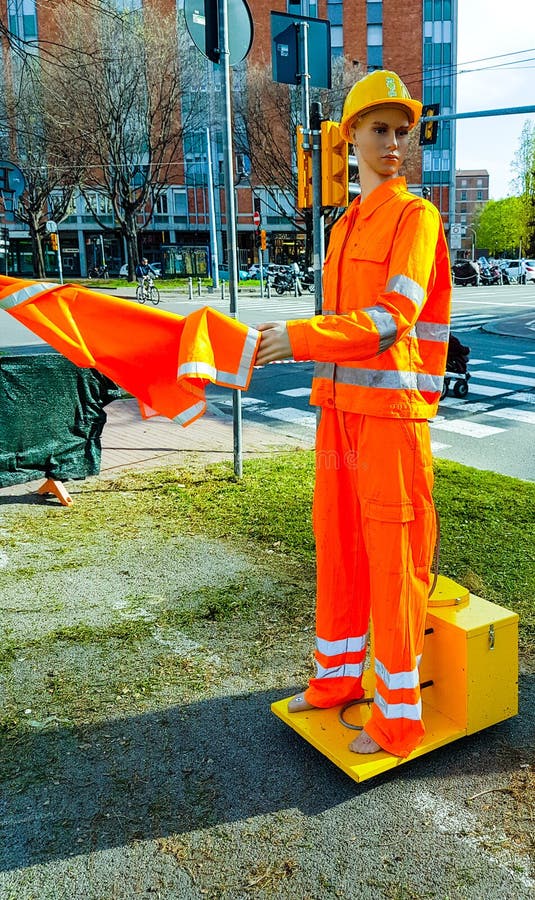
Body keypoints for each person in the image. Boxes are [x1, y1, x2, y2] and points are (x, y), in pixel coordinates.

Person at [255, 70, 452, 759]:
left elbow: (392, 318)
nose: (394, 143)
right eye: (380, 129)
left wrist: (300, 338)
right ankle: (336, 680)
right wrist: (299, 344)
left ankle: (397, 719)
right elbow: (345, 324)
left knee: (394, 564)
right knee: (338, 548)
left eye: (402, 131)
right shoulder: (343, 227)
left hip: (392, 421)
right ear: (349, 138)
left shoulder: (414, 218)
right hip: (338, 415)